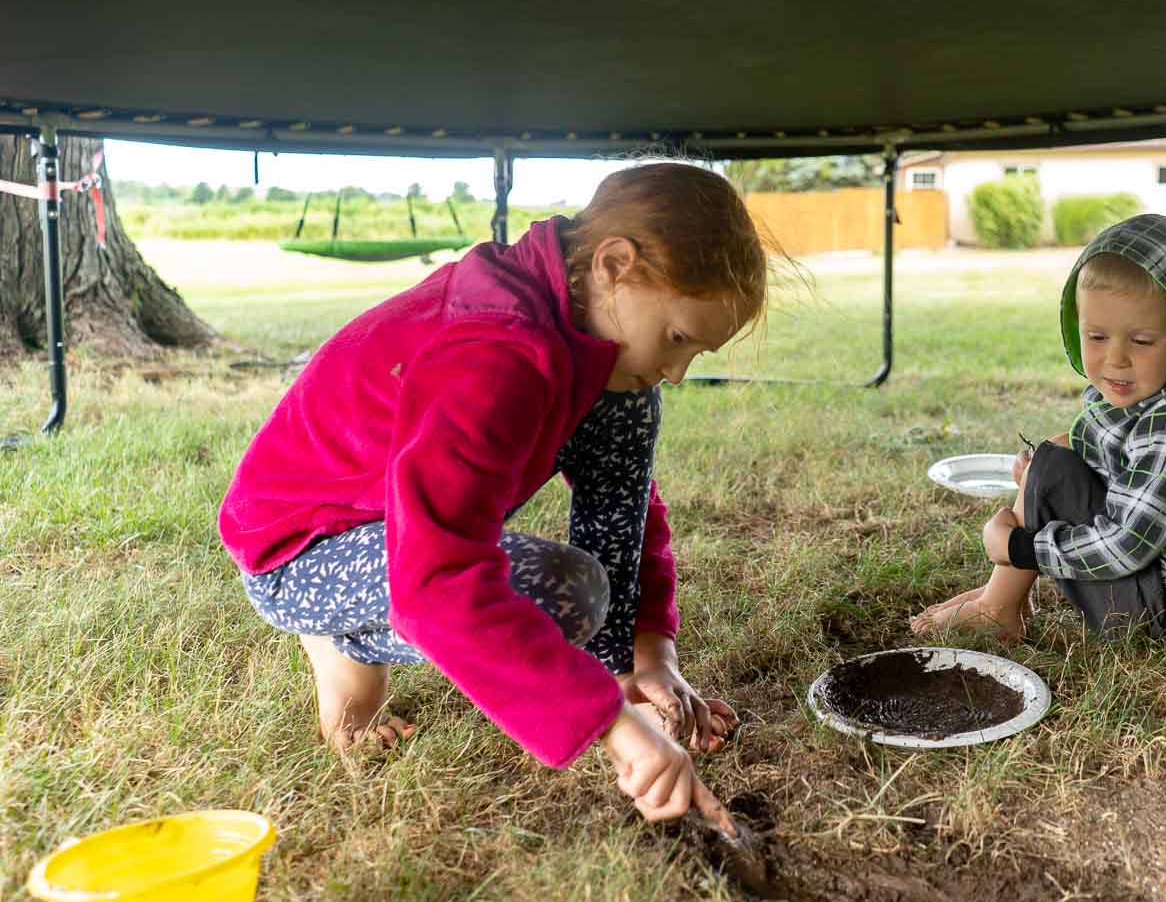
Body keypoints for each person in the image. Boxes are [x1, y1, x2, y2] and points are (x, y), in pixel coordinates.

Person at [219, 162, 766, 832]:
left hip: (395, 518)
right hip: (297, 546)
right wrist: (612, 725)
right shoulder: (496, 352)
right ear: (615, 264)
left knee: (627, 414)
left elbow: (622, 509)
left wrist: (649, 658)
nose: (677, 372)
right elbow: (436, 580)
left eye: (696, 354)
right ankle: (341, 642)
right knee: (565, 592)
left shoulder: (591, 327)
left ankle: (354, 648)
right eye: (678, 338)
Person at [911, 213, 1166, 641]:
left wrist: (1019, 548)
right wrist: (1037, 473)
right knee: (1053, 454)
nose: (1116, 358)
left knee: (1053, 465)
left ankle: (998, 605)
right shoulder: (1138, 395)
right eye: (1096, 337)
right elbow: (1094, 452)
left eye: (1142, 341)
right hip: (1151, 586)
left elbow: (1127, 544)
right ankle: (1001, 598)